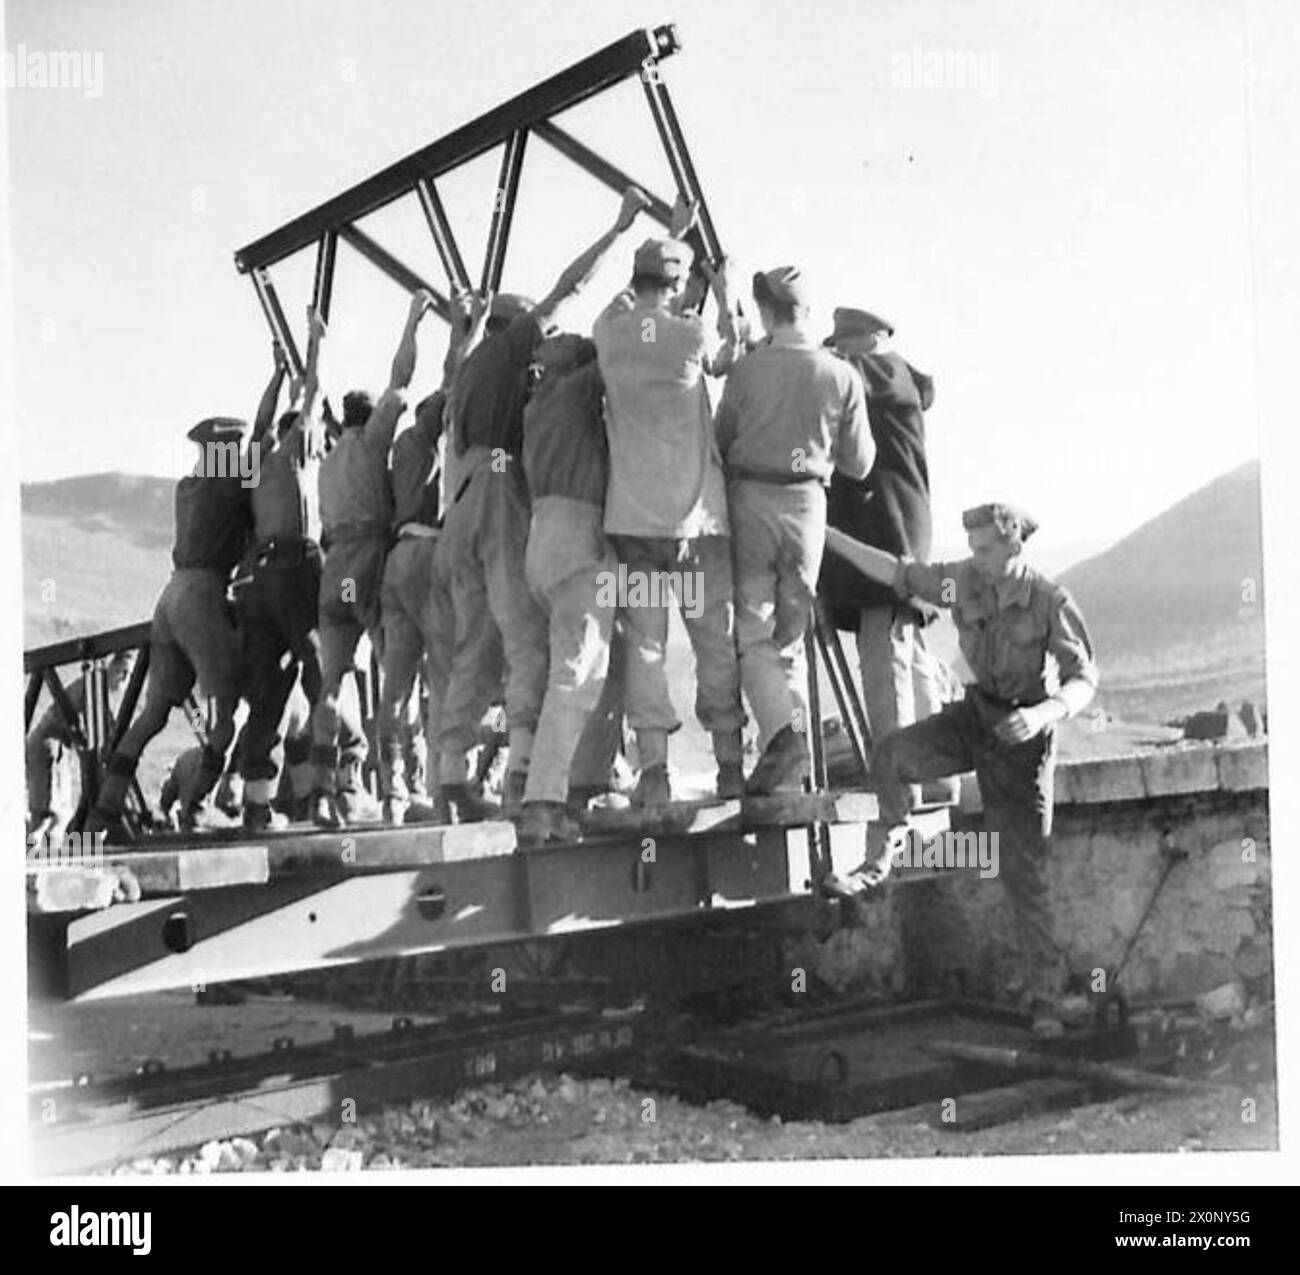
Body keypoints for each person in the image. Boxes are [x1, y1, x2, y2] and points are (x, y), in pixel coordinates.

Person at [821, 503, 1099, 1034]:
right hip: (975, 717)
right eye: (972, 549)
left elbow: (1084, 678)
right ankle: (882, 857)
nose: (978, 560)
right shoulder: (961, 585)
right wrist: (832, 536)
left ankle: (1046, 999)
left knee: (1022, 873)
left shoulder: (1047, 600)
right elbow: (898, 574)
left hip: (1022, 741)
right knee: (892, 754)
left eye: (988, 549)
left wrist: (1043, 715)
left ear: (1014, 546)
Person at [439, 185, 651, 821]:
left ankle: (451, 775)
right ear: (518, 329)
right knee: (528, 642)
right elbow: (570, 288)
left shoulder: (470, 370)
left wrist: (458, 325)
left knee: (474, 644)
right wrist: (617, 231)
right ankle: (526, 778)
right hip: (501, 495)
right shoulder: (509, 350)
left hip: (461, 506)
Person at [593, 205, 745, 806]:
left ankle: (653, 770)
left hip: (633, 525)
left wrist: (671, 244)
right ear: (682, 286)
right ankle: (730, 763)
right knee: (714, 641)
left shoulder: (610, 332)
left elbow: (632, 309)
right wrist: (725, 287)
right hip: (698, 526)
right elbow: (729, 349)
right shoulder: (691, 334)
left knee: (647, 646)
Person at [715, 268, 872, 795]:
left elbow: (721, 439)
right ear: (808, 311)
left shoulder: (747, 371)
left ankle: (784, 737)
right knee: (792, 632)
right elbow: (861, 464)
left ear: (765, 311)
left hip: (753, 496)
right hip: (809, 504)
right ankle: (798, 752)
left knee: (755, 632)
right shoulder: (840, 374)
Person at [85, 416, 254, 839]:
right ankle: (196, 807)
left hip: (170, 597)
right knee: (227, 712)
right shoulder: (230, 483)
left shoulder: (188, 487)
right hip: (203, 595)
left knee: (152, 715)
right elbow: (267, 444)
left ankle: (105, 810)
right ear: (227, 448)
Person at [309, 289, 438, 828]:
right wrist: (413, 317)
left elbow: (310, 388)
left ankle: (320, 793)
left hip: (331, 569)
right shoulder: (368, 443)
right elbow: (401, 377)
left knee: (332, 683)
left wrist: (316, 342)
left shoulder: (326, 460)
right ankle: (395, 792)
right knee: (395, 679)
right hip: (366, 562)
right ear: (370, 419)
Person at [819, 306, 955, 803]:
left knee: (882, 655)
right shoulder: (896, 378)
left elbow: (830, 379)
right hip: (894, 530)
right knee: (909, 651)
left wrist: (781, 355)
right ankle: (937, 775)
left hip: (882, 533)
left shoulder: (882, 370)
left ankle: (900, 784)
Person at [377, 291, 491, 824]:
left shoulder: (398, 443)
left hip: (394, 560)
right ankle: (447, 786)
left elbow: (405, 376)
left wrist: (410, 319)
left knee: (394, 686)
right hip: (428, 553)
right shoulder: (436, 433)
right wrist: (471, 325)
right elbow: (457, 374)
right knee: (445, 672)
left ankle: (393, 795)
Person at [514, 333, 617, 844]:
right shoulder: (579, 391)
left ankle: (571, 782)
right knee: (576, 675)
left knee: (571, 669)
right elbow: (618, 350)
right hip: (579, 536)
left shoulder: (537, 405)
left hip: (541, 538)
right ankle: (544, 803)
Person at [237, 316, 331, 831]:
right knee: (322, 674)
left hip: (259, 580)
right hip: (296, 566)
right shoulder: (296, 453)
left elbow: (259, 422)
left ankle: (257, 805)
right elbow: (313, 392)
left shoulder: (255, 460)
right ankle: (329, 790)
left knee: (269, 695)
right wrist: (315, 344)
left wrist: (275, 377)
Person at [27, 650, 136, 846]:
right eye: (122, 671)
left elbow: (103, 730)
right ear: (112, 668)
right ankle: (31, 863)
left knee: (61, 815)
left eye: (130, 675)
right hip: (48, 747)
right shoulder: (94, 688)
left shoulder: (101, 693)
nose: (125, 679)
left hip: (60, 750)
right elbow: (91, 732)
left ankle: (52, 856)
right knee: (47, 817)